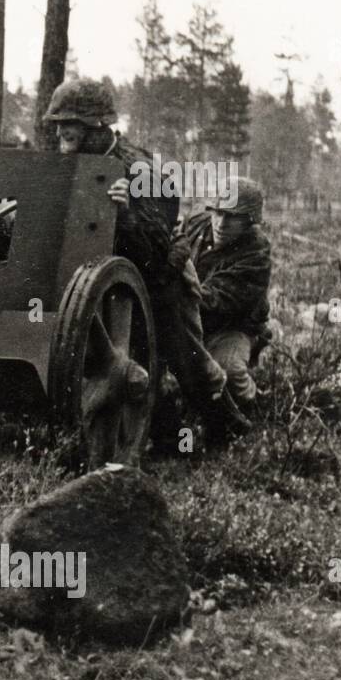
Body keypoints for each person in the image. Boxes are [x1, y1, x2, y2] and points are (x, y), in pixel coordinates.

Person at [43, 78, 251, 442]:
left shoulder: (140, 170)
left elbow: (158, 248)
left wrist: (126, 214)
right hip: (112, 275)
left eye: (71, 123)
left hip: (164, 272)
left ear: (97, 124)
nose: (62, 130)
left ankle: (231, 428)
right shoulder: (73, 162)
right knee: (134, 358)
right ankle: (164, 434)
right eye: (59, 123)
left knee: (187, 361)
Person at [180, 178, 272, 406]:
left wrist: (177, 290)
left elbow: (218, 301)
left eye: (232, 217)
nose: (220, 223)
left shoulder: (256, 253)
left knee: (228, 371)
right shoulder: (196, 224)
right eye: (218, 213)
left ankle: (255, 404)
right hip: (188, 315)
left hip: (230, 327)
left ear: (250, 221)